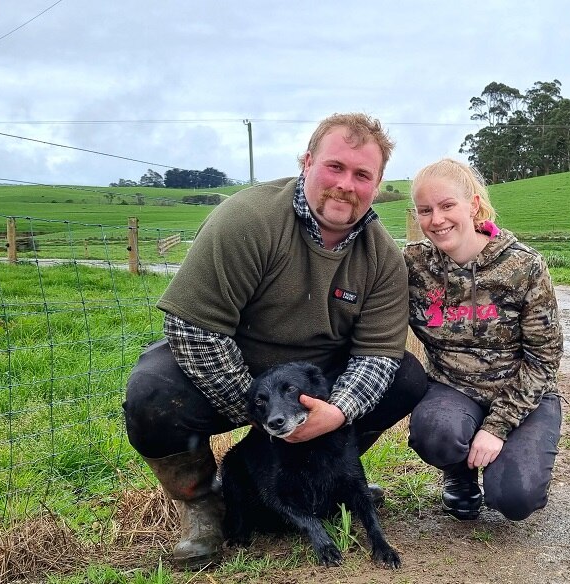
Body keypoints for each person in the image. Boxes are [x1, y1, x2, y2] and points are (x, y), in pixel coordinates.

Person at [122, 113, 427, 568]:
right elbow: (193, 329)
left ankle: (324, 480)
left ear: (378, 184)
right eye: (335, 167)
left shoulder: (382, 256)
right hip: (232, 373)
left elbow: (377, 357)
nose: (346, 184)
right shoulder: (248, 219)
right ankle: (203, 505)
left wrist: (334, 411)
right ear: (307, 162)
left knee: (406, 376)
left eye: (362, 174)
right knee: (151, 393)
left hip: (314, 383)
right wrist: (260, 409)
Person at [404, 158, 563, 521]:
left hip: (523, 394)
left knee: (515, 497)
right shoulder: (413, 266)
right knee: (436, 431)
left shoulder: (524, 267)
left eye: (447, 206)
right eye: (425, 210)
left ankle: (507, 466)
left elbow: (545, 357)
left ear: (473, 205)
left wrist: (497, 427)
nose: (437, 220)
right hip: (452, 388)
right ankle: (459, 478)